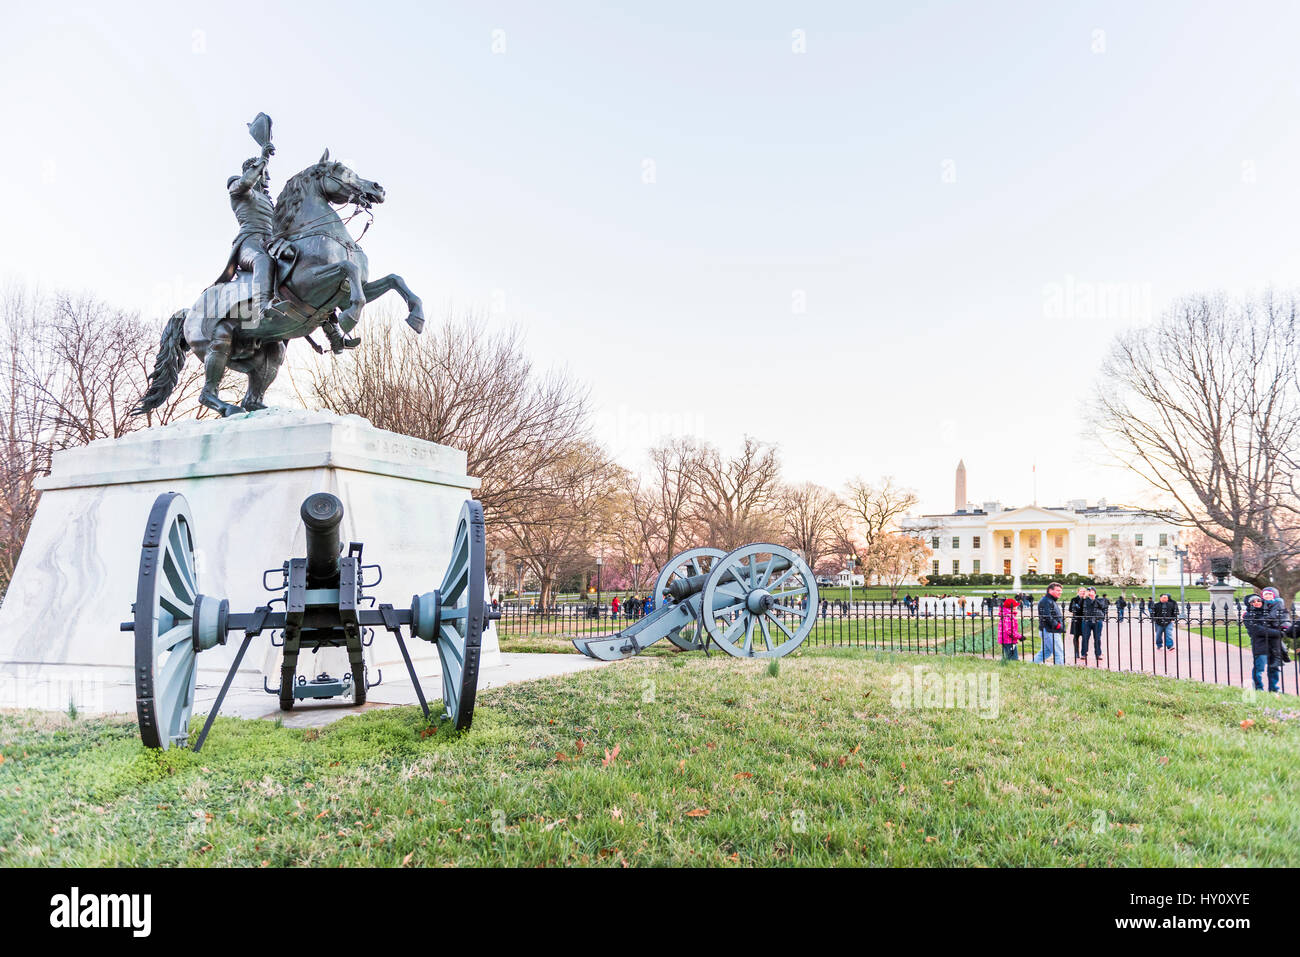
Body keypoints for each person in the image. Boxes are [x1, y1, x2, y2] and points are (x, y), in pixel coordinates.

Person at [1243, 589, 1291, 692]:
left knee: (1274, 668)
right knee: (1259, 668)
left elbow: (1280, 622)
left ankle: (1274, 688)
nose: (1256, 603)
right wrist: (1278, 633)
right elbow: (1258, 631)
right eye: (1253, 602)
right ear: (1249, 604)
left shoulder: (1269, 612)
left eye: (1258, 600)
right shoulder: (1248, 615)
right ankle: (1258, 688)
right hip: (1260, 645)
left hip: (1274, 646)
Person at [1033, 582, 1066, 664]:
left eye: (1061, 591)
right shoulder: (1046, 601)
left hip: (1050, 630)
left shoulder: (1050, 600)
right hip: (1050, 631)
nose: (1060, 592)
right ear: (1050, 590)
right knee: (1059, 653)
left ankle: (1030, 666)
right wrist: (1058, 625)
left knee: (1045, 652)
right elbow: (1047, 616)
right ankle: (1060, 672)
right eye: (1058, 590)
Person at [1080, 587, 1106, 664]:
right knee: (1085, 637)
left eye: (1091, 591)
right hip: (1086, 620)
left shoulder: (1100, 599)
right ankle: (1083, 653)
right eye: (1088, 591)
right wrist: (1084, 597)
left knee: (1097, 638)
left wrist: (1093, 599)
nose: (1090, 593)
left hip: (1097, 620)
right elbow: (1079, 606)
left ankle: (1098, 654)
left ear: (1094, 592)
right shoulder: (1084, 600)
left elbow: (1102, 606)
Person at [1068, 586, 1088, 661]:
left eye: (1084, 591)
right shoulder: (1074, 599)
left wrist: (1083, 599)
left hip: (1084, 620)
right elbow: (1070, 609)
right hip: (1076, 620)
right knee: (1076, 637)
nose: (1082, 593)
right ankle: (1076, 652)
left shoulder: (1086, 599)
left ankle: (1084, 652)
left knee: (1085, 637)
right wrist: (1075, 608)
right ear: (1078, 592)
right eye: (1081, 591)